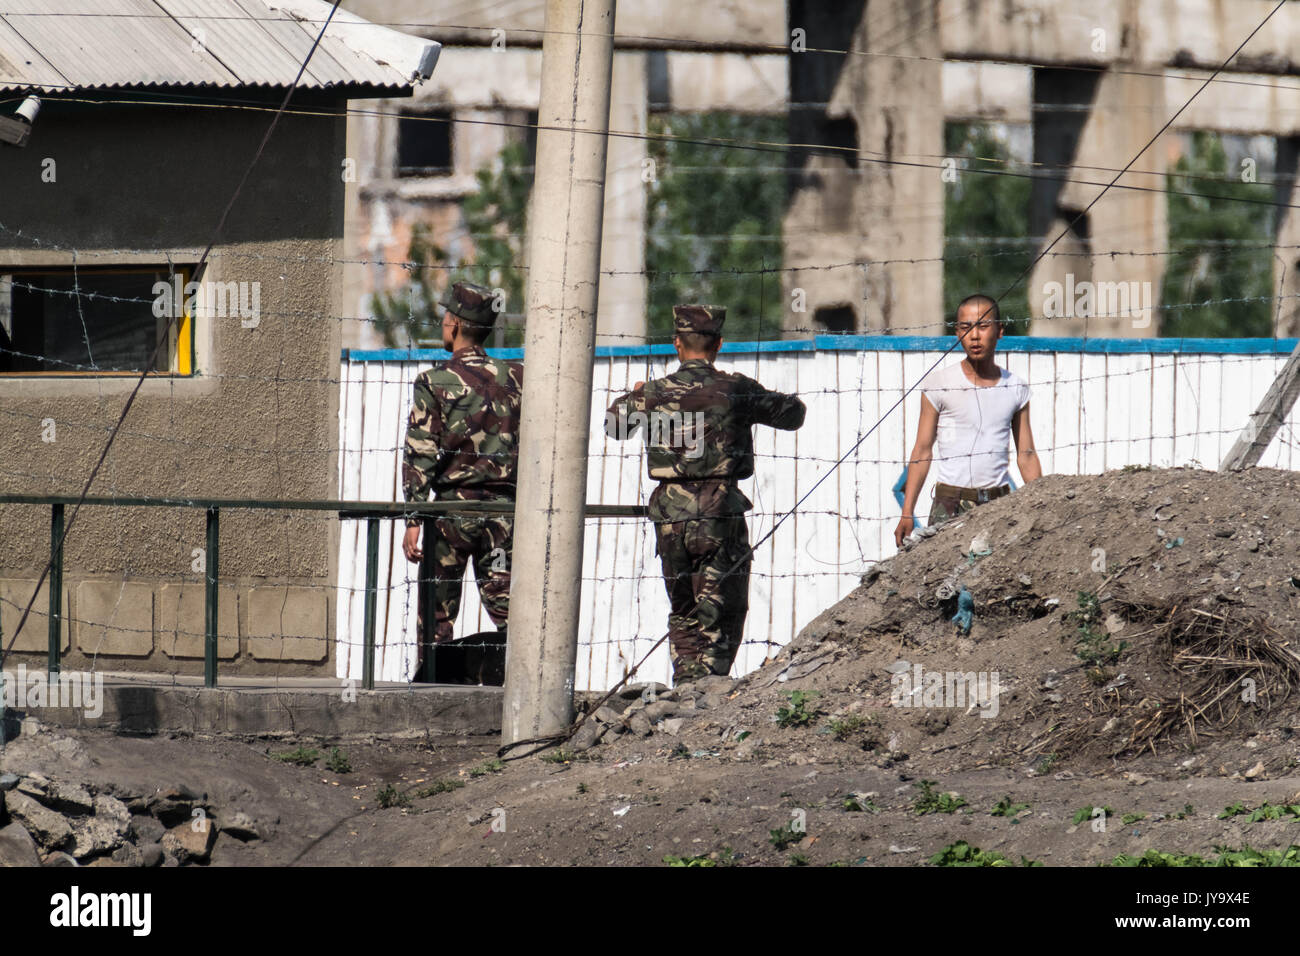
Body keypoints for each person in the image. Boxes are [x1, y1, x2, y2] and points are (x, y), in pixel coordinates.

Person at [606, 305, 806, 684]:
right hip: (717, 512)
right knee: (722, 606)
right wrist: (751, 392)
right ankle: (708, 689)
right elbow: (793, 415)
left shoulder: (654, 393)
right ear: (719, 344)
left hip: (670, 517)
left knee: (683, 607)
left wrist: (637, 396)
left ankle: (686, 682)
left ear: (677, 344)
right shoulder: (734, 389)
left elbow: (614, 427)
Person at [401, 280, 523, 681]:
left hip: (449, 514)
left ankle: (434, 695)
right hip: (504, 516)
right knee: (511, 611)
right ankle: (517, 687)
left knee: (436, 611)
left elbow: (421, 450)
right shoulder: (518, 377)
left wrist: (415, 517)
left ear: (453, 323)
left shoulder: (435, 381)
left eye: (444, 318)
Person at [894, 294, 1042, 548]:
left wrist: (1044, 505)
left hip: (999, 504)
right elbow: (922, 450)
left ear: (999, 331)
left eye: (983, 327)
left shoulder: (1015, 388)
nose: (974, 336)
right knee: (942, 579)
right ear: (957, 333)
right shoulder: (939, 384)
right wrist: (907, 512)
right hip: (949, 503)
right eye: (966, 327)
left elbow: (1026, 455)